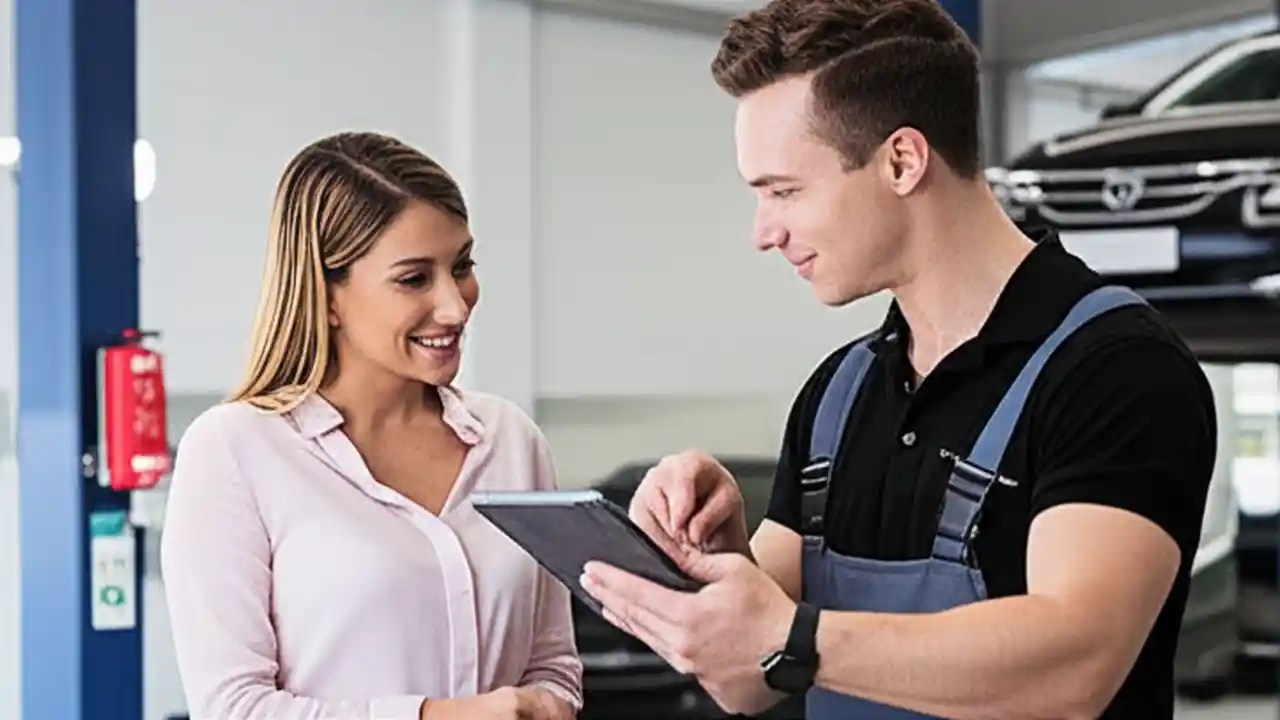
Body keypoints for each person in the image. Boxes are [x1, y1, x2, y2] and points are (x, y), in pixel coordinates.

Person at [579, 1, 1216, 718]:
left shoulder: (1116, 370)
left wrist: (794, 634)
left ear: (903, 161)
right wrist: (723, 567)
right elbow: (748, 683)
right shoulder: (837, 395)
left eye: (784, 191)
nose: (764, 231)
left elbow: (1074, 667)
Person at [161, 131, 583, 720]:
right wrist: (442, 717)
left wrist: (548, 704)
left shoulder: (511, 440)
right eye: (414, 279)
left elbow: (552, 661)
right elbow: (234, 707)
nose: (456, 306)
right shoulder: (235, 451)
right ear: (327, 295)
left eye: (461, 266)